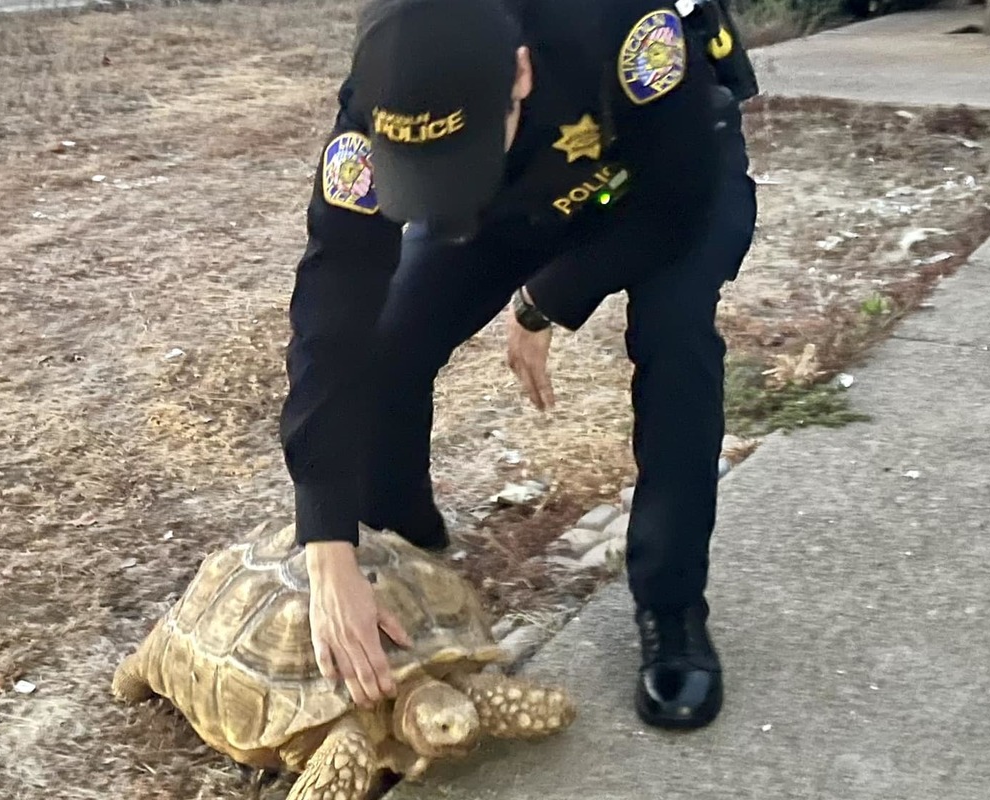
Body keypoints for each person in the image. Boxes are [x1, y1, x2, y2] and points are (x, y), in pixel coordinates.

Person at [278, 0, 759, 730]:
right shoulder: (384, 84)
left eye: (459, 156)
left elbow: (675, 204)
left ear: (522, 72)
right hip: (519, 197)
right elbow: (331, 314)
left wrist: (548, 298)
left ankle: (672, 608)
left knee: (676, 337)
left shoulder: (627, 28)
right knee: (389, 339)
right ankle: (410, 552)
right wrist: (327, 541)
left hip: (656, 176)